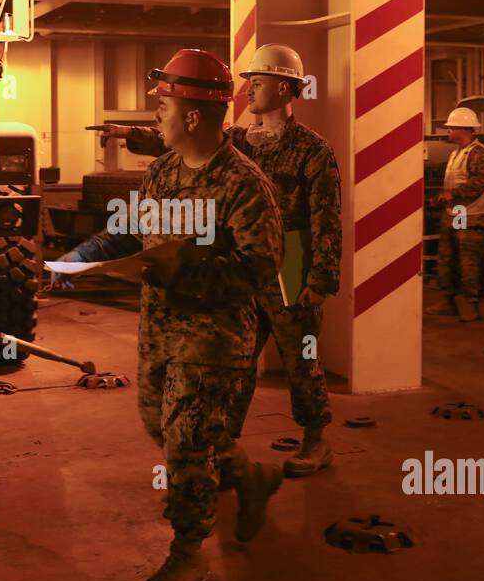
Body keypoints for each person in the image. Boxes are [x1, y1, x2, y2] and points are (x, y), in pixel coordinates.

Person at [60, 49, 285, 581]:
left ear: (191, 116)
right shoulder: (162, 171)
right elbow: (135, 231)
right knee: (160, 426)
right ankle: (248, 475)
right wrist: (81, 257)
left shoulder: (244, 184)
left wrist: (185, 266)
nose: (154, 115)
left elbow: (260, 269)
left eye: (163, 104)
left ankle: (189, 557)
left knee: (184, 447)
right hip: (159, 330)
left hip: (213, 339)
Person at [88, 43, 342, 477]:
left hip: (291, 263)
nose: (250, 91)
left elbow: (326, 216)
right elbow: (194, 135)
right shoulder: (242, 138)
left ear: (285, 87)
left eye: (258, 82)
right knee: (237, 362)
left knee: (302, 357)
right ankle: (226, 446)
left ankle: (316, 438)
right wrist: (130, 135)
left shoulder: (312, 150)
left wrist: (321, 278)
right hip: (239, 258)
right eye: (247, 83)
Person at [426, 106, 484, 322]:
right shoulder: (457, 153)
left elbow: (480, 183)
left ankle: (472, 305)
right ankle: (448, 301)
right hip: (454, 214)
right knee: (447, 259)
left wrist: (451, 194)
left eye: (450, 127)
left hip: (471, 216)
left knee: (469, 262)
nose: (447, 131)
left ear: (462, 128)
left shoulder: (479, 153)